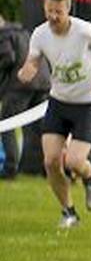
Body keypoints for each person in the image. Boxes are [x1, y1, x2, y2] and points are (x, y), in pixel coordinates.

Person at [18, 0, 91, 228]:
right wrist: (26, 71)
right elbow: (33, 61)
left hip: (86, 103)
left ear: (68, 9)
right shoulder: (40, 34)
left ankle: (90, 177)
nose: (53, 16)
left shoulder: (84, 30)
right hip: (59, 101)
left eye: (58, 12)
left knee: (74, 162)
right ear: (45, 7)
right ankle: (69, 212)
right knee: (51, 161)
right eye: (49, 10)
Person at [0, 14, 50, 180]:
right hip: (42, 82)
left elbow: (7, 58)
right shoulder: (23, 31)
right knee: (40, 129)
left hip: (21, 84)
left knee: (6, 124)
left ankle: (10, 168)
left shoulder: (4, 34)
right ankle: (48, 167)